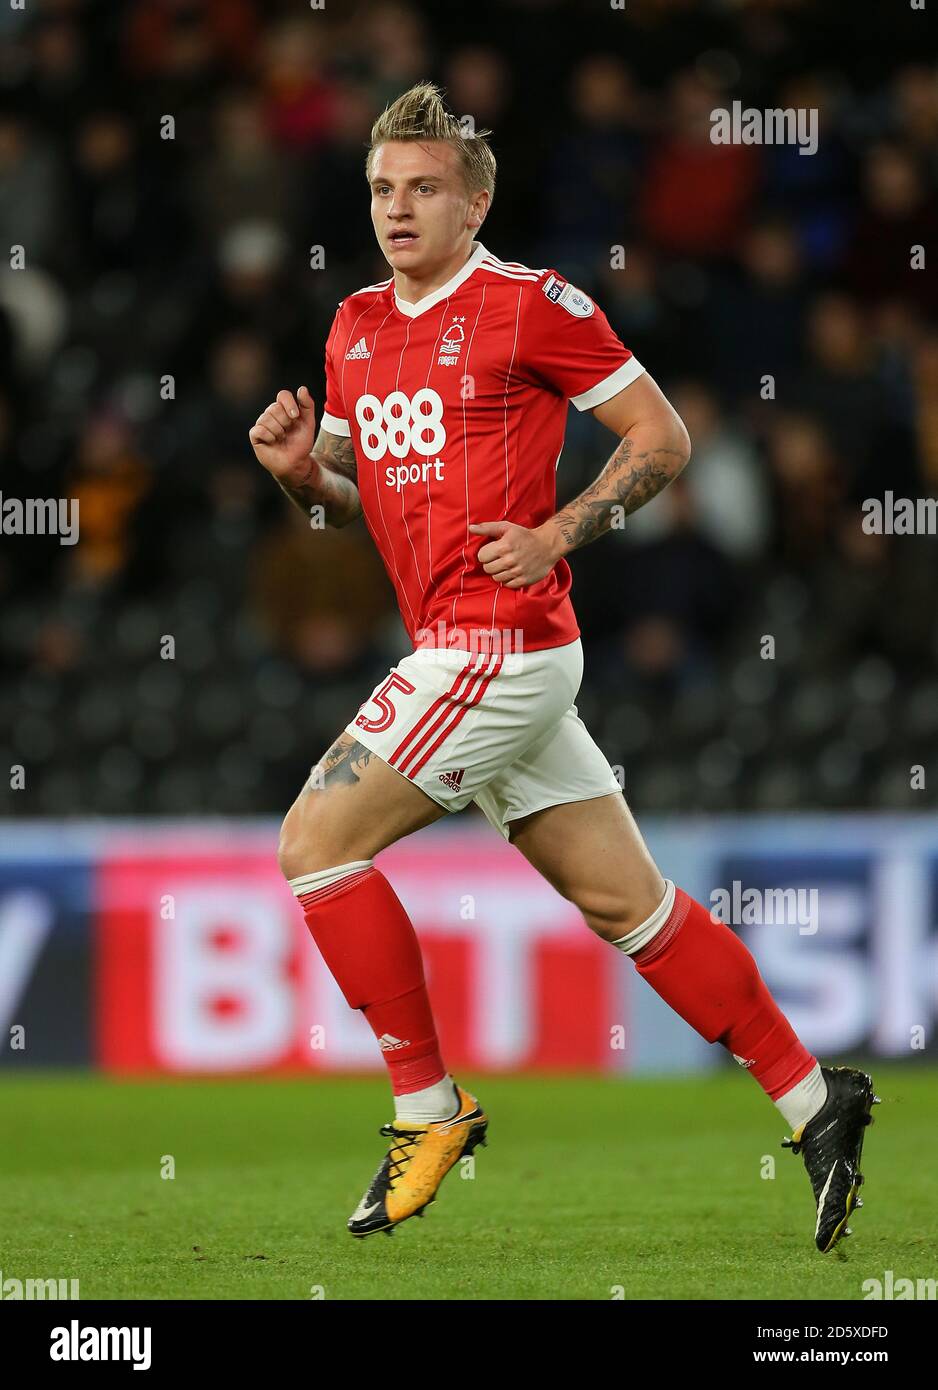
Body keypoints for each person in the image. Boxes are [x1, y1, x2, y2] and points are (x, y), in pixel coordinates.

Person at [248, 82, 877, 1250]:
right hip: (467, 649)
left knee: (312, 844)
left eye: (423, 187)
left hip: (497, 641)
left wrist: (559, 531)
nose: (397, 207)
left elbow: (661, 438)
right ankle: (810, 1095)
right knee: (627, 906)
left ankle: (426, 1107)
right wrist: (297, 473)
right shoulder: (350, 328)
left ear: (473, 200)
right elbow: (349, 507)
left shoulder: (529, 305)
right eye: (383, 187)